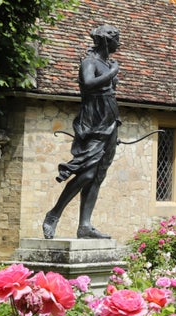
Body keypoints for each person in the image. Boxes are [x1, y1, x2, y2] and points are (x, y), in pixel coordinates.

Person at [42, 24, 122, 239]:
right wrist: (113, 73)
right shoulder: (90, 62)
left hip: (110, 121)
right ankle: (54, 213)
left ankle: (85, 225)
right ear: (106, 41)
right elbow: (87, 84)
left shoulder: (106, 63)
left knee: (98, 175)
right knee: (86, 172)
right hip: (93, 122)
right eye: (116, 39)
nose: (119, 44)